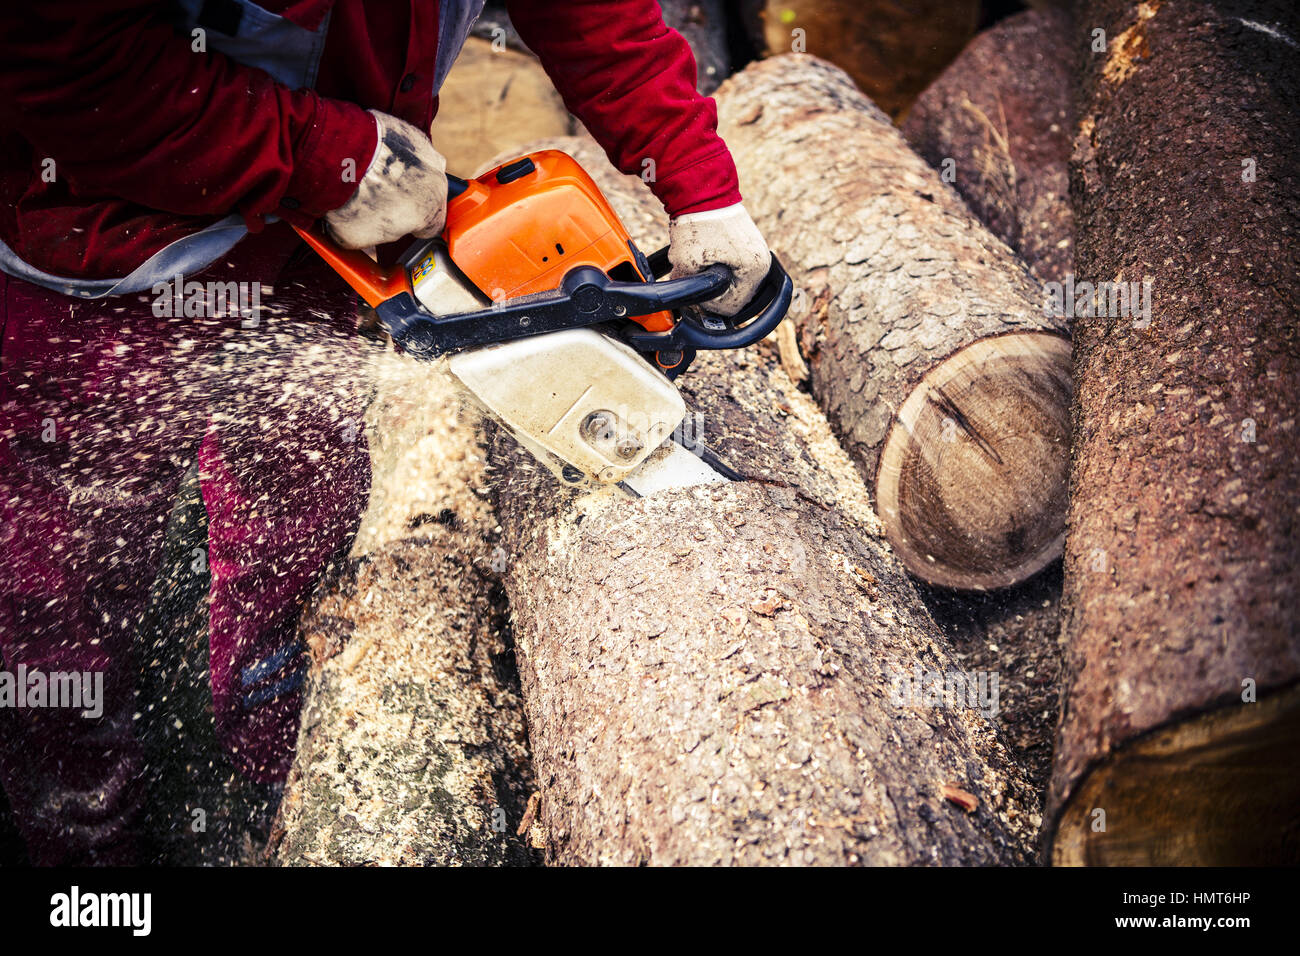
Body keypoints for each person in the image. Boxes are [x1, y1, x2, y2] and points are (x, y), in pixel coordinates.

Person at [0, 0, 772, 865]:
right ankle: (84, 841)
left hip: (323, 238)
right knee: (64, 577)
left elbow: (592, 14)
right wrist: (331, 156)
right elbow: (64, 66)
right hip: (99, 246)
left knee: (302, 496)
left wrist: (701, 185)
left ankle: (285, 748)